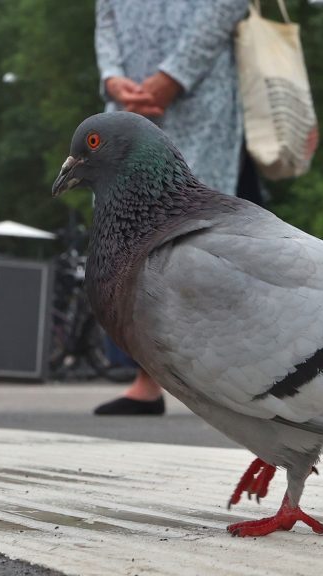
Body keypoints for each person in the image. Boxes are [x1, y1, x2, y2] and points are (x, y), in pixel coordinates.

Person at [92, 0, 253, 416]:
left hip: (197, 100)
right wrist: (114, 79)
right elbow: (106, 14)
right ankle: (148, 375)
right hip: (126, 106)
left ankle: (233, 378)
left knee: (198, 237)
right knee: (125, 236)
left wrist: (172, 77)